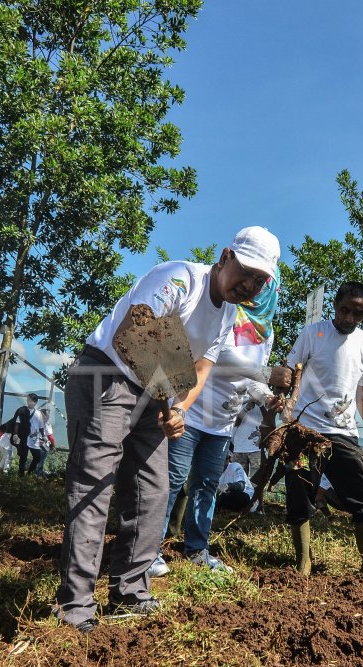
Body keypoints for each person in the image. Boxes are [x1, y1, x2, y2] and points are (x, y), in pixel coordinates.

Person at [52, 226, 277, 632]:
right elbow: (135, 331)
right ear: (225, 257)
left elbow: (202, 367)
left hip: (155, 392)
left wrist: (179, 409)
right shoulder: (180, 278)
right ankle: (76, 605)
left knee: (152, 491)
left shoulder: (228, 313)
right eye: (245, 272)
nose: (249, 285)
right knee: (95, 486)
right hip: (109, 375)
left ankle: (129, 591)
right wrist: (166, 393)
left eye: (259, 280)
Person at [150, 262, 285, 576]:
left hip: (223, 423)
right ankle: (150, 551)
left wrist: (267, 397)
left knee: (207, 486)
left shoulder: (266, 332)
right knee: (171, 481)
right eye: (254, 280)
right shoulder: (229, 312)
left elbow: (251, 380)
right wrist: (267, 373)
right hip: (191, 411)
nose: (256, 289)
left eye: (264, 283)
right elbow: (220, 358)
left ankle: (197, 549)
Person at [283, 281, 363, 576]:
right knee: (299, 496)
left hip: (343, 433)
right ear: (334, 306)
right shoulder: (312, 334)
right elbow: (291, 371)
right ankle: (303, 564)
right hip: (304, 432)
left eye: (358, 313)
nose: (349, 318)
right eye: (344, 310)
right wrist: (285, 400)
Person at [11, 393, 39, 476]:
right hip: (23, 437)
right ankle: (21, 475)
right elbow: (17, 422)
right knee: (23, 457)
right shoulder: (21, 410)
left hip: (33, 438)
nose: (28, 402)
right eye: (28, 400)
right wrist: (15, 434)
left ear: (35, 402)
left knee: (37, 457)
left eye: (30, 400)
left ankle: (30, 473)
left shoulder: (37, 413)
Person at [26, 406, 53, 476]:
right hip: (41, 444)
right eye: (47, 415)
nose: (48, 417)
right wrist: (52, 445)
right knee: (40, 460)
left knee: (37, 459)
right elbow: (50, 436)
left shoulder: (36, 422)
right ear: (43, 415)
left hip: (38, 444)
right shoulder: (47, 424)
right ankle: (37, 474)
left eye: (49, 415)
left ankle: (32, 474)